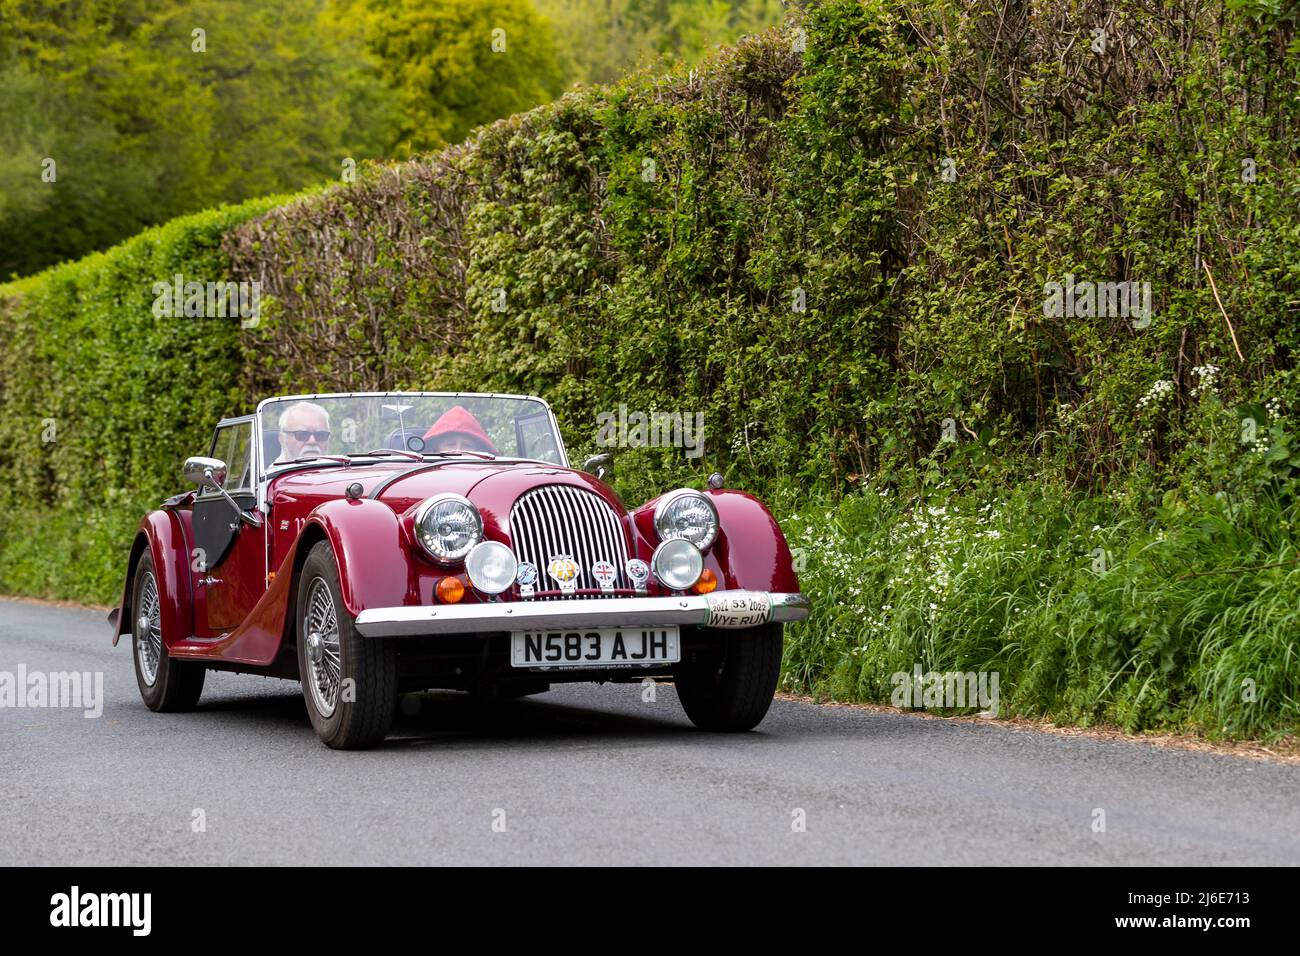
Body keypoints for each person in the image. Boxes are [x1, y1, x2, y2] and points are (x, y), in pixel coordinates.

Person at [422, 405, 498, 455]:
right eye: (450, 445)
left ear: (477, 450)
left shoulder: (488, 475)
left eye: (467, 446)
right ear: (435, 448)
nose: (458, 451)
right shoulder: (421, 476)